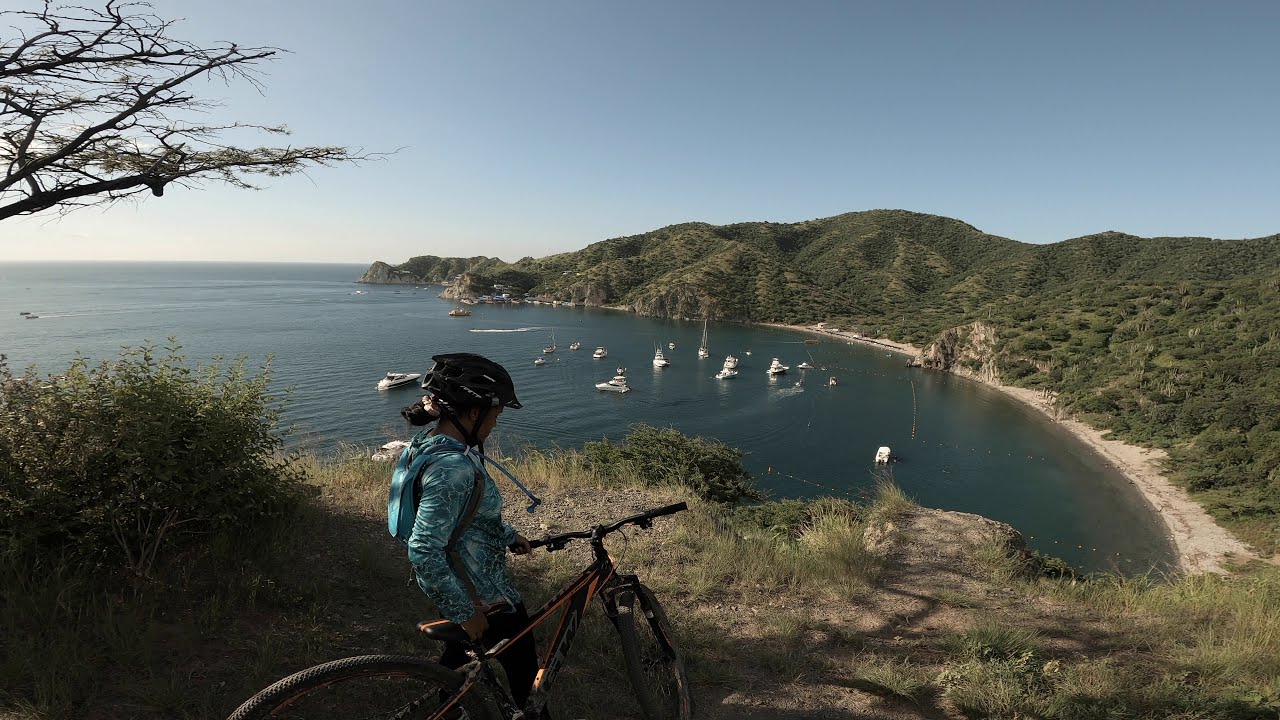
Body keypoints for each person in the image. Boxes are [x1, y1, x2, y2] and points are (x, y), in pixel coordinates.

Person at [390, 353, 544, 713]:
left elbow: (467, 512)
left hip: (469, 579)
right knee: (527, 684)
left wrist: (506, 534)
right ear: (474, 413)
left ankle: (446, 706)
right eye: (495, 415)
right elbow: (424, 550)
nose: (495, 423)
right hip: (486, 596)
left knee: (457, 668)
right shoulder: (453, 468)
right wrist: (463, 611)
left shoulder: (431, 443)